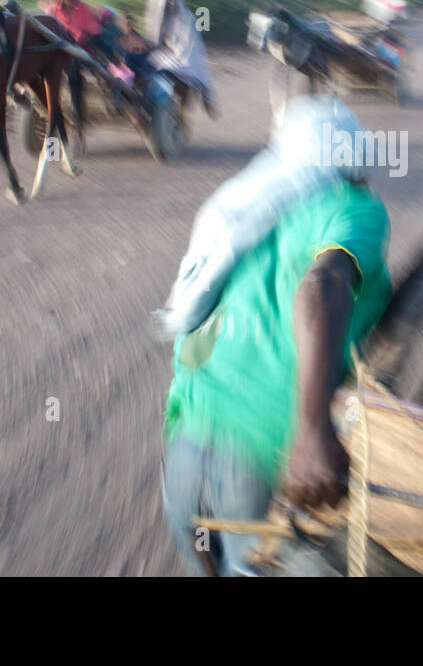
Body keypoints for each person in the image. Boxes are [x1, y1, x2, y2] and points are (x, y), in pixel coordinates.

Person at [157, 95, 391, 576]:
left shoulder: (247, 209)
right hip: (269, 455)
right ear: (349, 161)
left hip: (187, 447)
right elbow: (322, 284)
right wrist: (311, 433)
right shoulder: (353, 208)